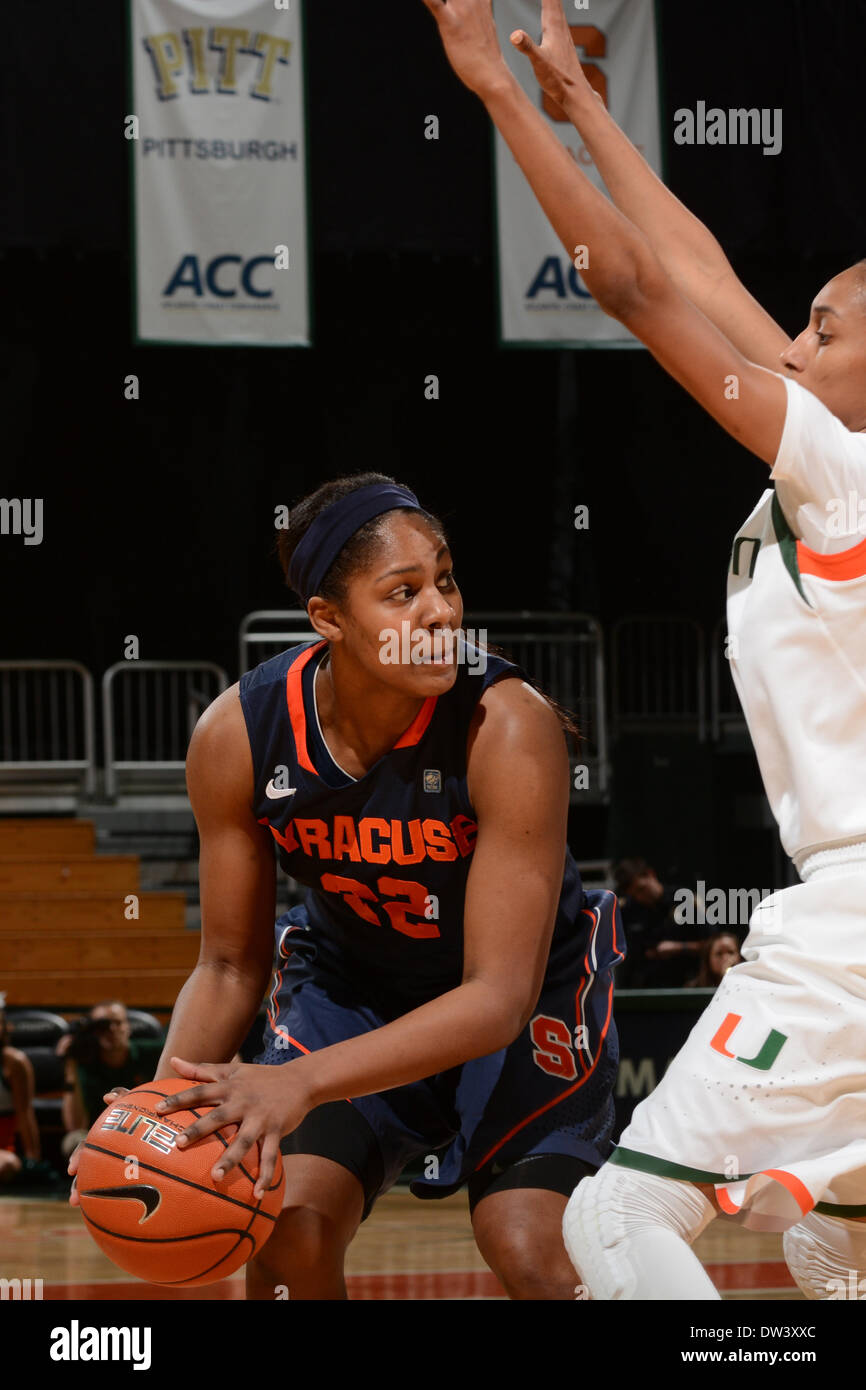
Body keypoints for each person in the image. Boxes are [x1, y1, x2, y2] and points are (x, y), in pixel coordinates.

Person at [423, 0, 866, 1299]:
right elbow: (693, 271)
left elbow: (628, 284)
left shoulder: (838, 474)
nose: (788, 342)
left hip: (849, 925)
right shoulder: (829, 454)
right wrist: (589, 113)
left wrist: (492, 94)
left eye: (825, 332)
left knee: (612, 1225)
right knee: (825, 1234)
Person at [71, 473, 623, 1301]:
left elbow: (496, 998)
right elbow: (227, 965)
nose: (439, 612)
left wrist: (297, 1081)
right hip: (351, 988)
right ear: (328, 619)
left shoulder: (507, 724)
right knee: (289, 1233)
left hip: (523, 997)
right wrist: (167, 1099)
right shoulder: (241, 733)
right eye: (402, 593)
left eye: (444, 580)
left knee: (531, 1250)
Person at [59, 1001, 164, 1159]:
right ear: (94, 1032)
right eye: (104, 1025)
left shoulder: (154, 1053)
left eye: (118, 1023)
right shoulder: (84, 1063)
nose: (112, 1030)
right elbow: (75, 1127)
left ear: (128, 1027)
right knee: (72, 1141)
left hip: (145, 1129)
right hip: (100, 1135)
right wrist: (71, 1066)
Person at [613, 858, 708, 988]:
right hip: (647, 987)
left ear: (650, 874)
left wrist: (680, 948)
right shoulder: (629, 910)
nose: (640, 897)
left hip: (688, 982)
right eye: (634, 895)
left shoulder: (686, 899)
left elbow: (711, 944)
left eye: (642, 889)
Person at [0, 996, 41, 1183]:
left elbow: (25, 1114)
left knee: (7, 1164)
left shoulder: (14, 1062)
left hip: (3, 1153)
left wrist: (34, 1161)